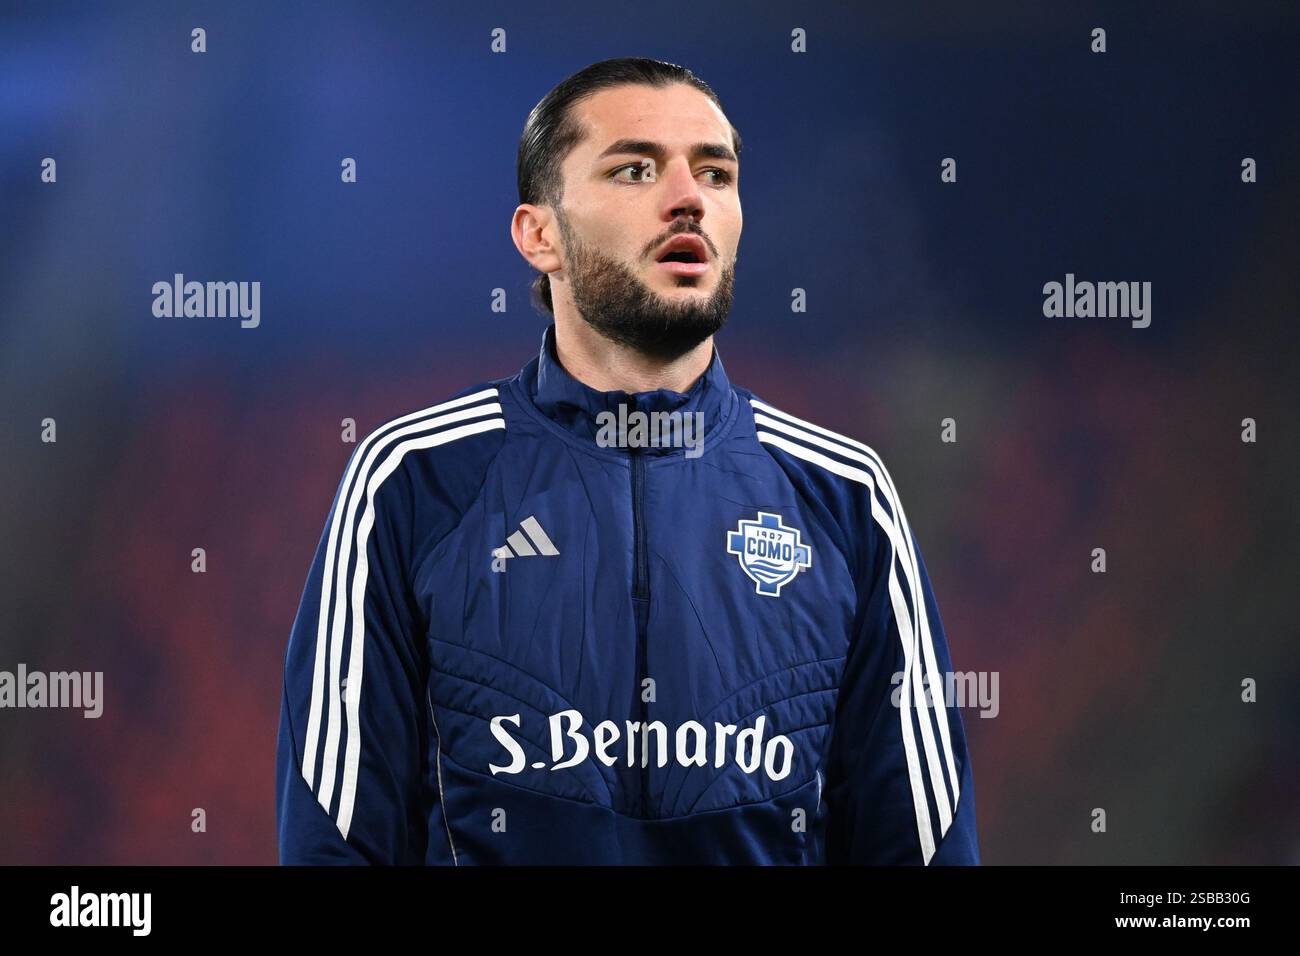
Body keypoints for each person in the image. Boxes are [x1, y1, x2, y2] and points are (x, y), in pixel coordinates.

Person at [275, 56, 980, 865]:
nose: (690, 197)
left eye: (716, 173)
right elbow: (335, 843)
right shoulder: (411, 480)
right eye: (636, 169)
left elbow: (923, 848)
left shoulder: (846, 496)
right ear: (541, 235)